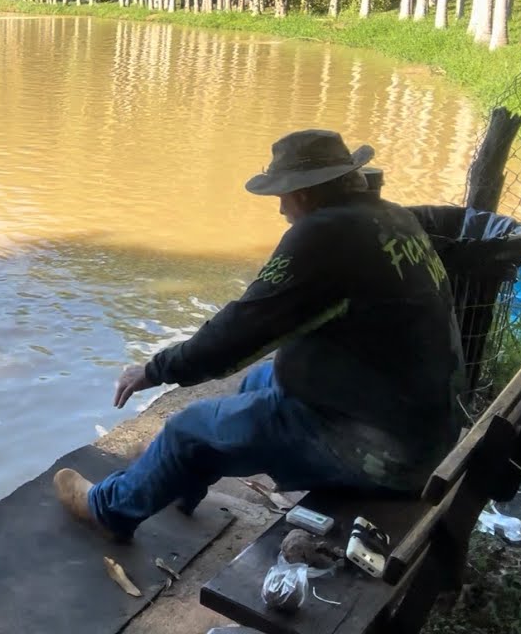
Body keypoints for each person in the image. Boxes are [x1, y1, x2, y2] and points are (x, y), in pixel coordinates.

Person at [55, 129, 466, 542]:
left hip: (383, 454)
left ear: (304, 193)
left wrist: (154, 370)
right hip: (418, 426)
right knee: (255, 382)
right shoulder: (391, 217)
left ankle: (108, 510)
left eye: (281, 195)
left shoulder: (325, 237)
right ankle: (180, 481)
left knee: (188, 428)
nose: (281, 208)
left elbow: (238, 332)